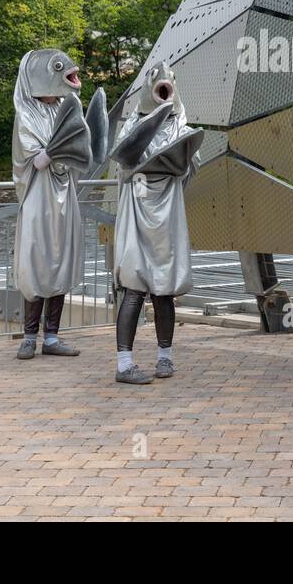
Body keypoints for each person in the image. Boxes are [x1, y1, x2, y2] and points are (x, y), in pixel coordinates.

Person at [110, 63, 203, 385]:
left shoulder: (181, 125)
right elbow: (121, 163)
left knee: (163, 289)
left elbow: (192, 163)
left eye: (169, 84)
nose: (165, 87)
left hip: (168, 213)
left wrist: (181, 165)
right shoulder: (132, 124)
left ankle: (165, 357)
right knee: (134, 288)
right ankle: (124, 364)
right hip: (137, 211)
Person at [11, 48, 87, 360]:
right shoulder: (26, 116)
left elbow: (82, 152)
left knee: (61, 261)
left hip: (64, 200)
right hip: (38, 201)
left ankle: (52, 336)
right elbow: (38, 161)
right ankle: (30, 335)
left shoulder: (66, 109)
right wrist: (62, 146)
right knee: (37, 263)